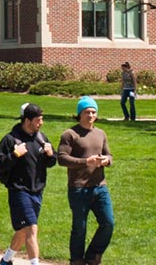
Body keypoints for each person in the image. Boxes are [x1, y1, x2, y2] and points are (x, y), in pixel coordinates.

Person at [0, 103, 55, 265]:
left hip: (37, 190)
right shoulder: (11, 139)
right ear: (27, 120)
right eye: (38, 120)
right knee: (32, 229)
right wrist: (14, 154)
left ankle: (6, 260)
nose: (41, 123)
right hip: (18, 191)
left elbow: (50, 163)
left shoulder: (41, 138)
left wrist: (50, 155)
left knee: (22, 231)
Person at [58, 97, 114, 265]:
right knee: (79, 229)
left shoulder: (100, 133)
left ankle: (93, 256)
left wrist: (106, 160)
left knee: (108, 223)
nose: (90, 115)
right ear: (79, 114)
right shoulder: (70, 134)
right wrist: (85, 162)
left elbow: (109, 155)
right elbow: (61, 158)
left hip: (100, 187)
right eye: (87, 112)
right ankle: (76, 260)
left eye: (93, 112)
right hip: (78, 189)